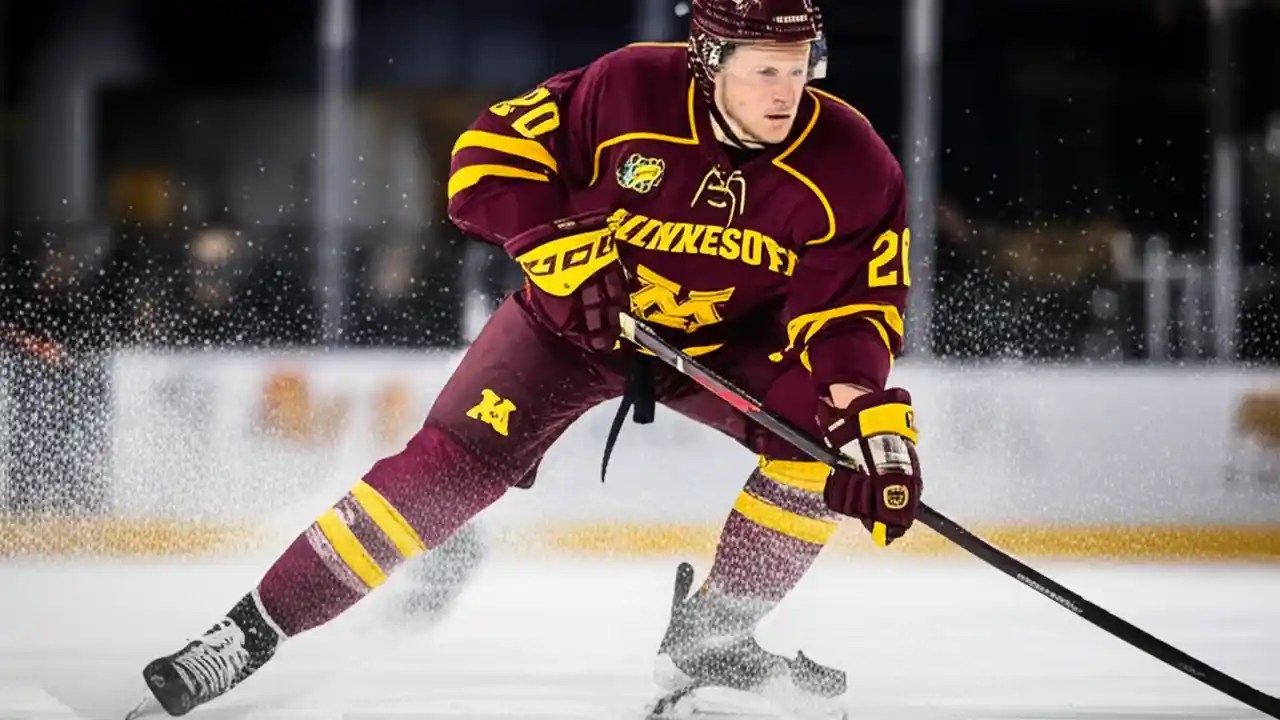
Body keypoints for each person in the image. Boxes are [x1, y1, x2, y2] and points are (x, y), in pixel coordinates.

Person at [131, 0, 923, 716]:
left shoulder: (852, 163)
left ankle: (710, 643)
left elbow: (850, 310)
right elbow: (486, 158)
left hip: (719, 348)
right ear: (708, 60)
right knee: (442, 473)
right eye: (763, 72)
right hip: (566, 331)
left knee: (818, 455)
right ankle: (248, 632)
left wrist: (866, 429)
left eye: (798, 69)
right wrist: (564, 254)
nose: (786, 93)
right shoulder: (626, 89)